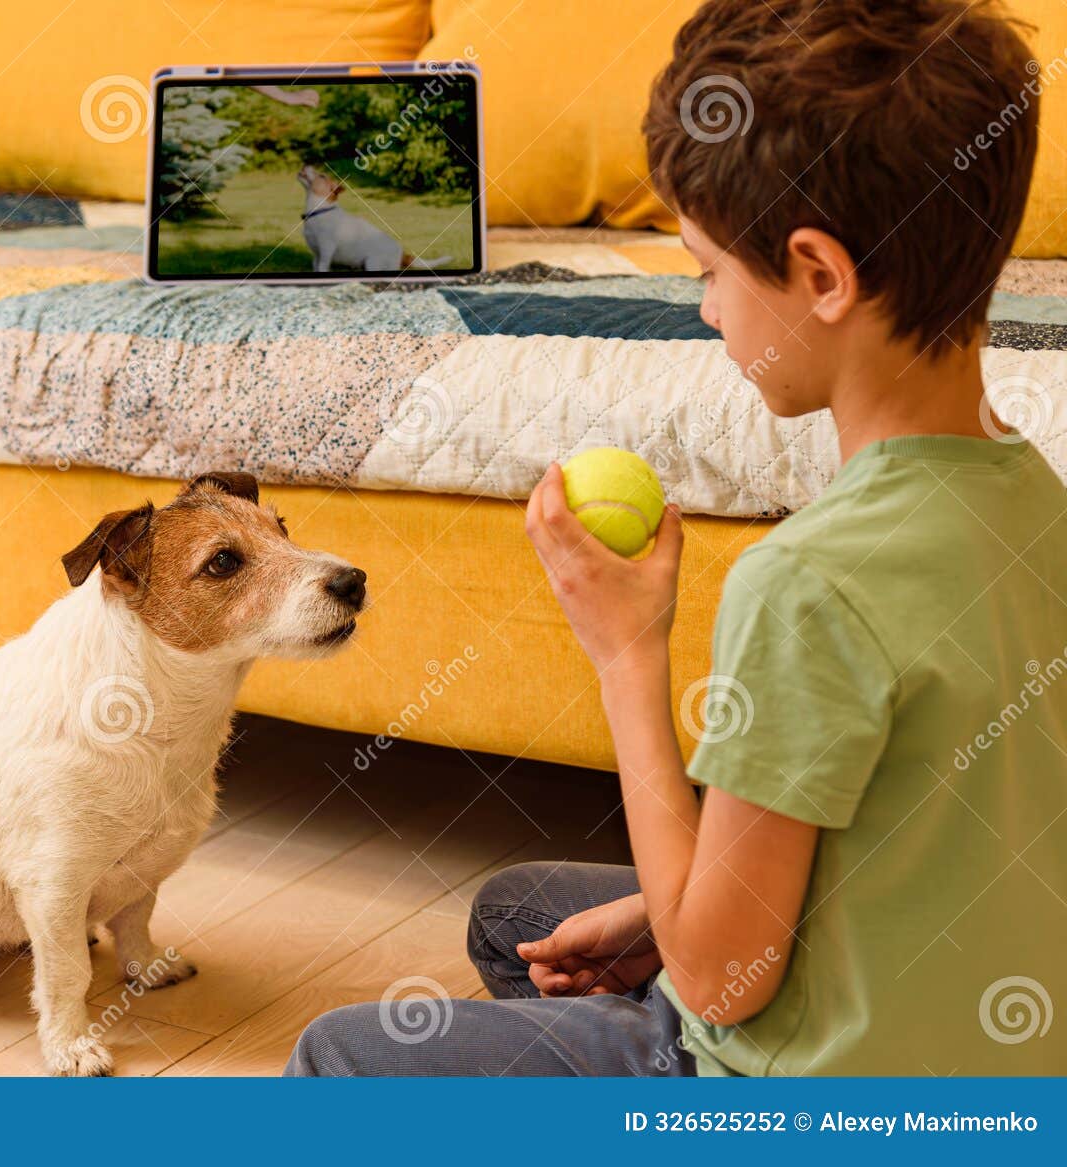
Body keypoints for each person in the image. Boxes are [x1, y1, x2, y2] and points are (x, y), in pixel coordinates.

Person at [286, 0, 1066, 1076]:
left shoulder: (806, 582)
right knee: (515, 913)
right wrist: (670, 909)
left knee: (339, 1055)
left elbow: (718, 984)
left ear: (821, 275)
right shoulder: (1038, 505)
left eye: (707, 269)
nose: (705, 310)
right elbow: (939, 826)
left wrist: (625, 652)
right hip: (988, 1055)